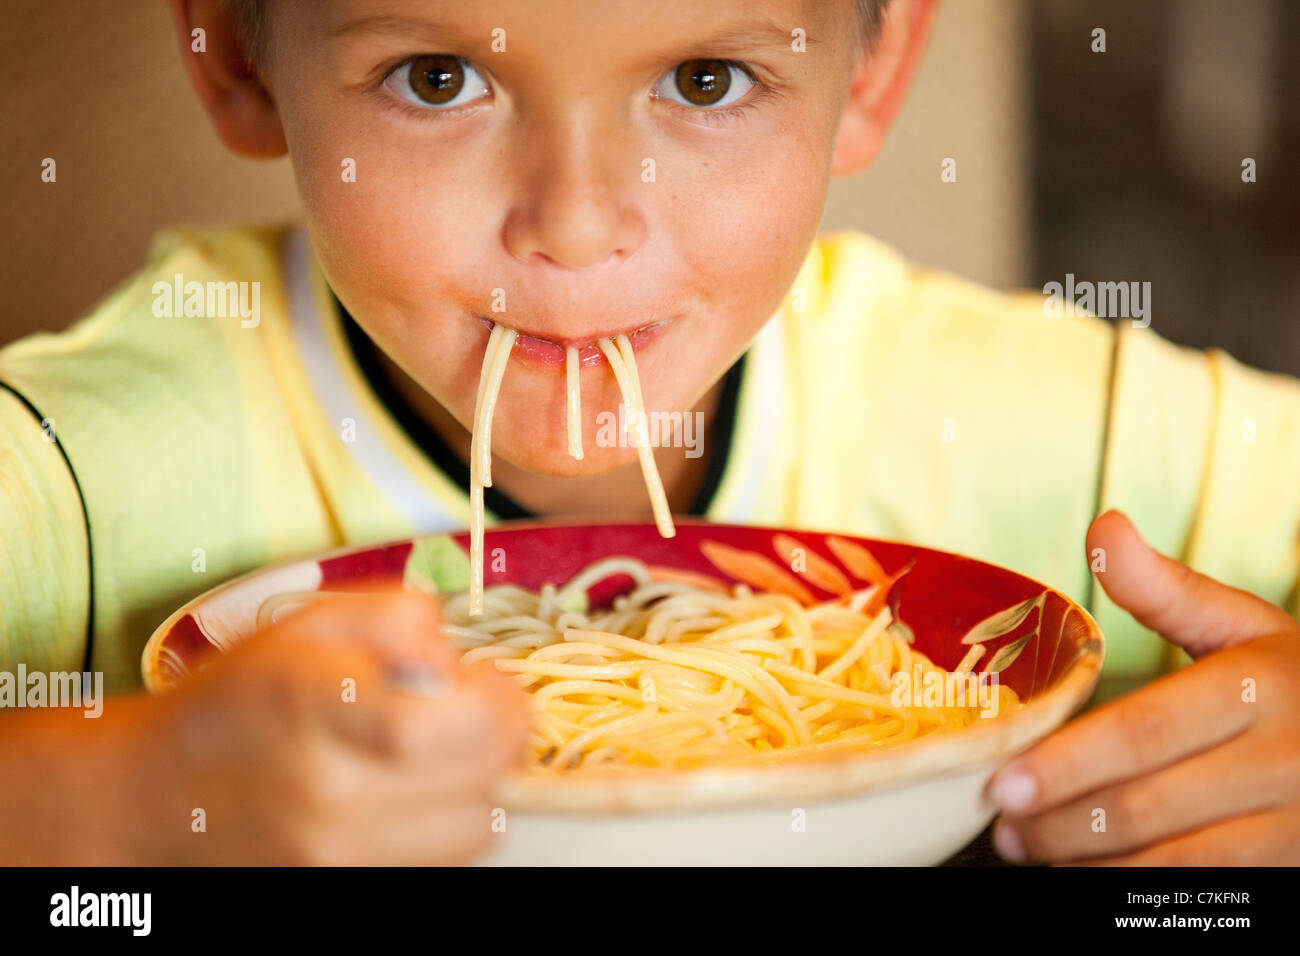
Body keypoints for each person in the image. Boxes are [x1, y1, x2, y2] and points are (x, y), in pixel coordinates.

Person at [1, 0, 1296, 864]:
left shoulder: (1043, 425)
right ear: (237, 53)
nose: (576, 221)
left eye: (705, 79)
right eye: (437, 78)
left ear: (876, 63)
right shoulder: (68, 473)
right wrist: (116, 800)